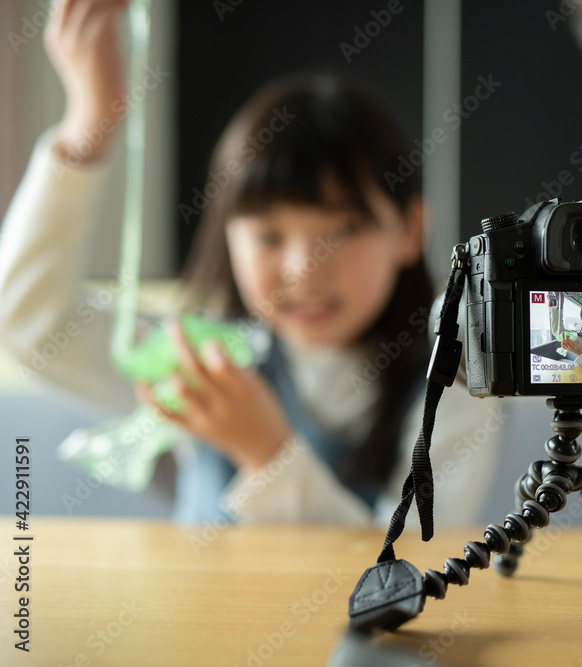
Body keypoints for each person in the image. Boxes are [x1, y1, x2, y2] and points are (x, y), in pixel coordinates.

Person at [0, 0, 499, 526]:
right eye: (268, 235)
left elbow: (409, 567)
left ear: (411, 230)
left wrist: (269, 455)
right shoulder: (199, 358)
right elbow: (29, 321)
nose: (305, 268)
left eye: (345, 229)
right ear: (228, 240)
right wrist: (89, 123)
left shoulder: (457, 381)